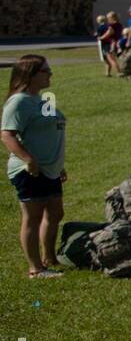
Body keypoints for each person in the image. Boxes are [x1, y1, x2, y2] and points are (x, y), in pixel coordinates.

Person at [2, 56, 67, 279]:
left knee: (56, 212)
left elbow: (51, 131)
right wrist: (28, 159)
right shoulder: (18, 102)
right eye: (45, 71)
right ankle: (36, 269)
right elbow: (7, 135)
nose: (50, 74)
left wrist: (59, 164)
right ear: (30, 75)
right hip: (29, 170)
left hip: (51, 168)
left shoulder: (45, 99)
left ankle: (49, 258)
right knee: (33, 217)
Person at [99, 11, 123, 77]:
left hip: (111, 43)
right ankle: (109, 73)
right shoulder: (119, 25)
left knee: (111, 59)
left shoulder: (112, 25)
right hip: (117, 42)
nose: (107, 19)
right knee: (114, 58)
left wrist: (100, 38)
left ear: (112, 18)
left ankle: (119, 72)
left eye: (108, 18)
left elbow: (108, 34)